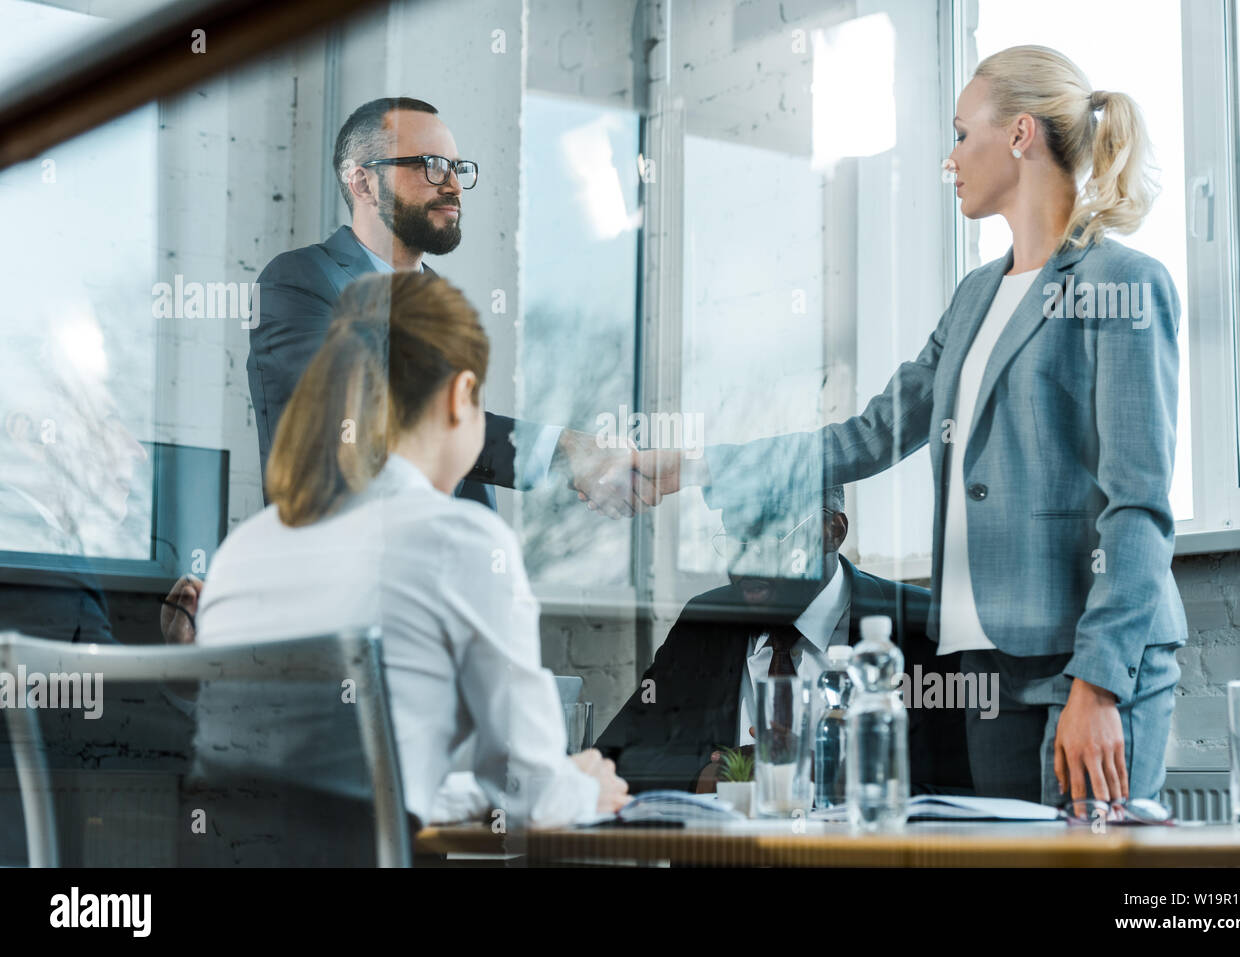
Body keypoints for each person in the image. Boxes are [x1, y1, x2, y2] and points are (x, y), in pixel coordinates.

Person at [636, 45, 1186, 808]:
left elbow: (1139, 506)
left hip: (1086, 659)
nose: (951, 158)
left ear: (1021, 134)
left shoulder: (1122, 284)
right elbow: (868, 435)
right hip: (984, 663)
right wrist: (696, 464)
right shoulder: (972, 297)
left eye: (963, 134)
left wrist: (1099, 681)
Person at [199, 270, 628, 826]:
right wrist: (582, 787)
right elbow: (535, 796)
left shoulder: (242, 551)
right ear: (459, 396)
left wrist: (473, 793)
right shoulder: (458, 540)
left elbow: (330, 796)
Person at [248, 96, 651, 517]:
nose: (454, 185)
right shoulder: (299, 281)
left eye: (456, 167)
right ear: (363, 183)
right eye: (431, 164)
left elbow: (464, 476)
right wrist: (562, 449)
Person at [597, 486, 970, 795]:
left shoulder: (920, 624)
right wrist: (708, 778)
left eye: (770, 537)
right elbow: (615, 755)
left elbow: (974, 783)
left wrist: (831, 780)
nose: (745, 561)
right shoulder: (707, 619)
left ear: (833, 531)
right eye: (736, 540)